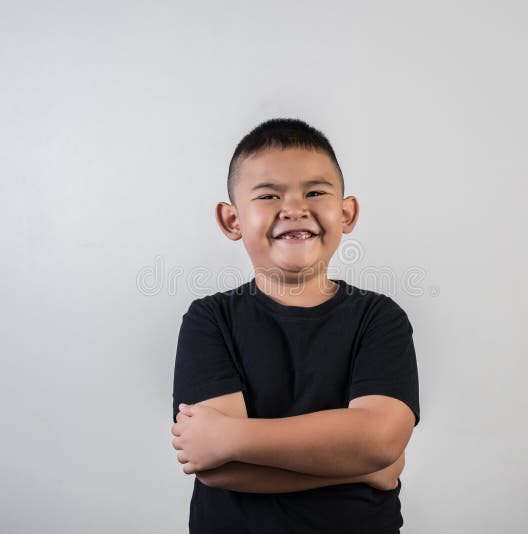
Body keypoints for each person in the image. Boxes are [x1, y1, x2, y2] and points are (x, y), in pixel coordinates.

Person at [171, 118, 420, 533]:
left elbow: (379, 439)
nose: (294, 208)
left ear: (346, 213)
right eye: (269, 195)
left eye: (315, 192)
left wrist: (231, 437)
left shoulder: (379, 318)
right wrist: (364, 467)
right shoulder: (210, 320)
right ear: (232, 220)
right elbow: (218, 469)